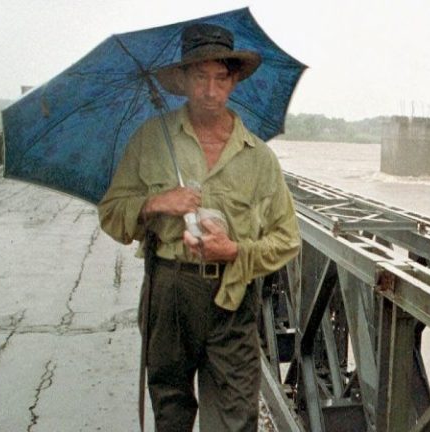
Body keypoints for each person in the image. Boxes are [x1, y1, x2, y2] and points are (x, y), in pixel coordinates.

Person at [98, 23, 301, 432]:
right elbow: (111, 214)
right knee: (170, 410)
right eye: (200, 77)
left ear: (234, 81)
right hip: (169, 290)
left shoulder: (258, 158)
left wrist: (235, 252)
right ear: (184, 81)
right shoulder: (151, 140)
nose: (210, 90)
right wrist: (156, 202)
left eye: (220, 78)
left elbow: (287, 239)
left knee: (235, 417)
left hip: (232, 295)